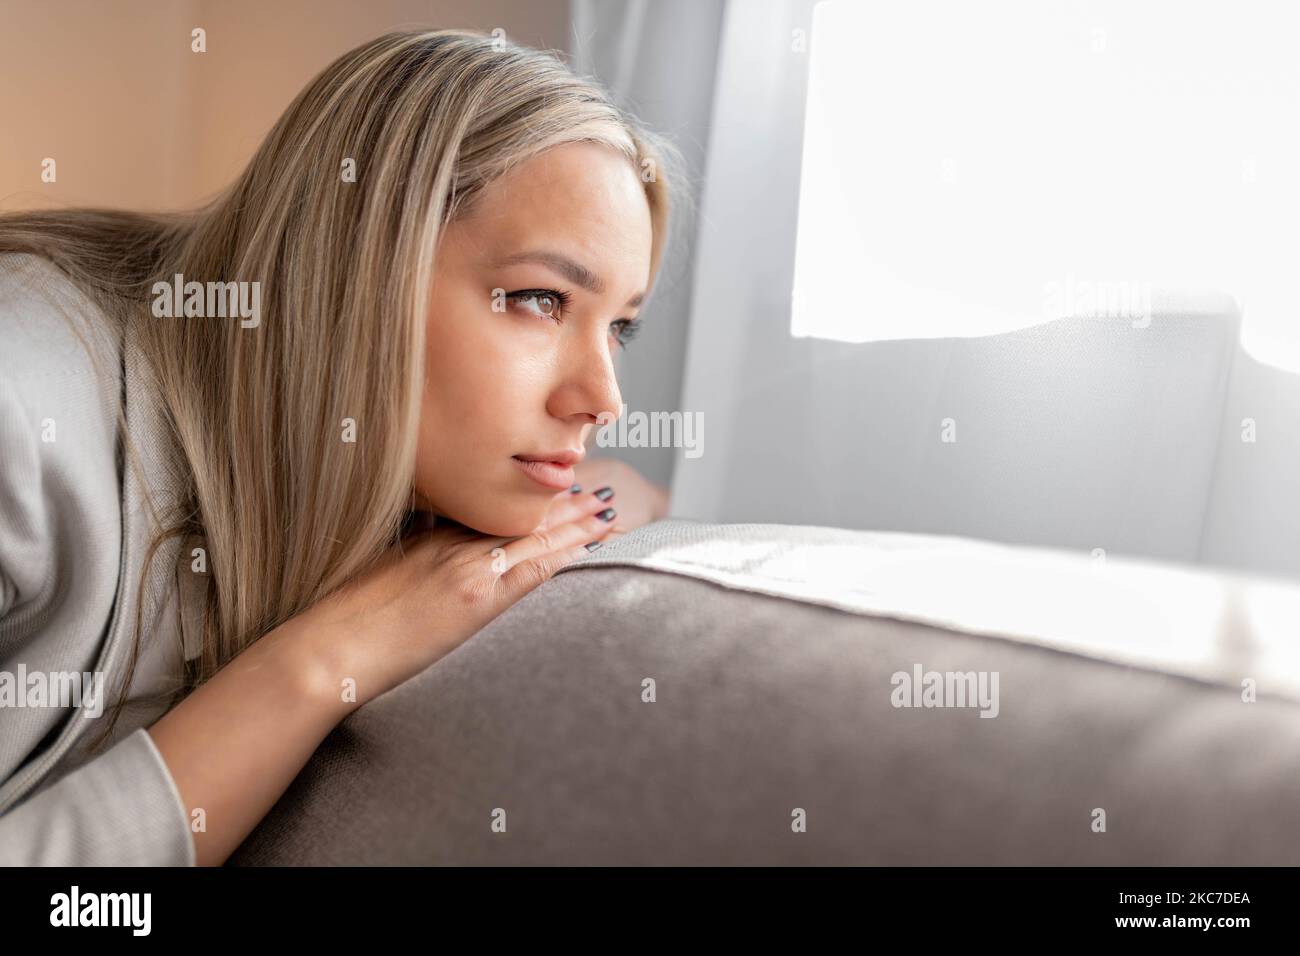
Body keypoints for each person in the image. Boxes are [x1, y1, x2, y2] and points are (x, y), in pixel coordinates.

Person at [0, 27, 676, 866]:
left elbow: (637, 495)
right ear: (361, 267)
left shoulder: (355, 484)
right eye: (539, 299)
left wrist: (602, 502)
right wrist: (326, 660)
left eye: (621, 330)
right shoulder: (19, 413)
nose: (604, 400)